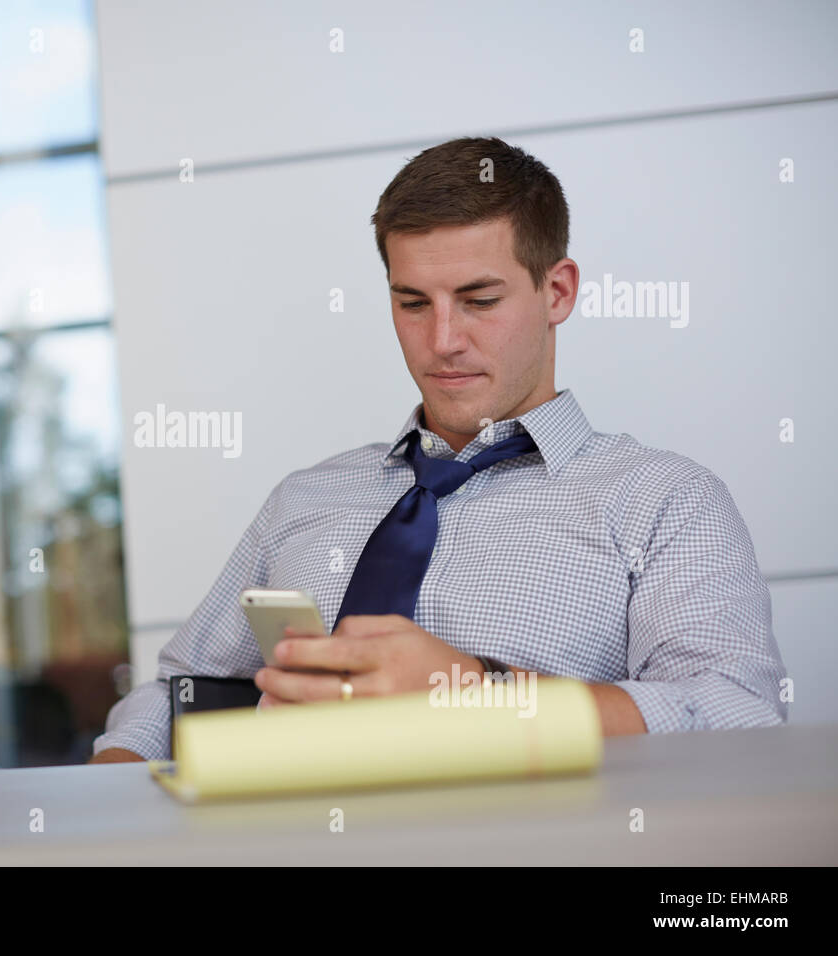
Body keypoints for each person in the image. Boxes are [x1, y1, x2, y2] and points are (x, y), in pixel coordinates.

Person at [91, 136, 786, 764]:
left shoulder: (663, 501)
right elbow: (173, 694)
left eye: (479, 299)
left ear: (558, 291)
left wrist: (479, 694)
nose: (443, 340)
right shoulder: (302, 501)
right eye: (413, 303)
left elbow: (740, 714)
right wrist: (111, 793)